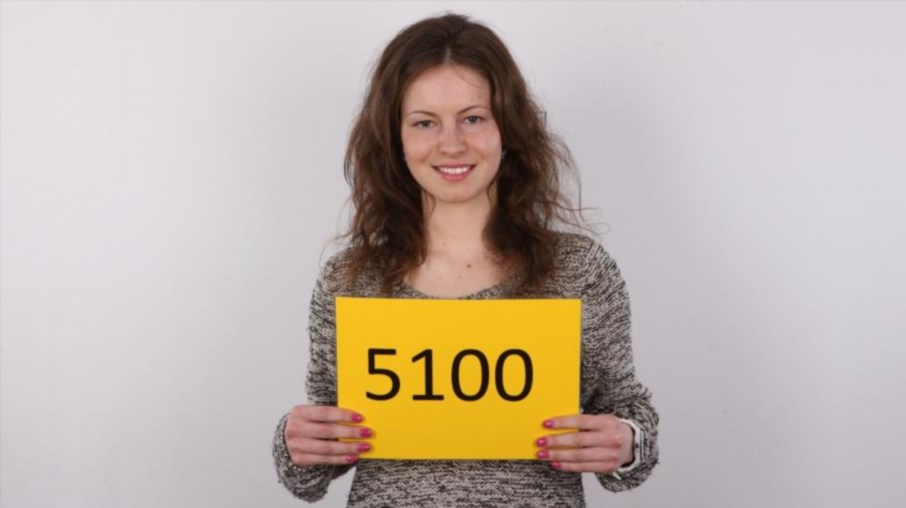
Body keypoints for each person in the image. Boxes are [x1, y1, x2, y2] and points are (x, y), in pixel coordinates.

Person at [272, 13, 658, 507]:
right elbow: (313, 469)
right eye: (424, 123)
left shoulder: (578, 270)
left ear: (507, 128)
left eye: (473, 118)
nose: (451, 144)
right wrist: (295, 443)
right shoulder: (350, 278)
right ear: (395, 138)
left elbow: (630, 417)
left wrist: (627, 442)